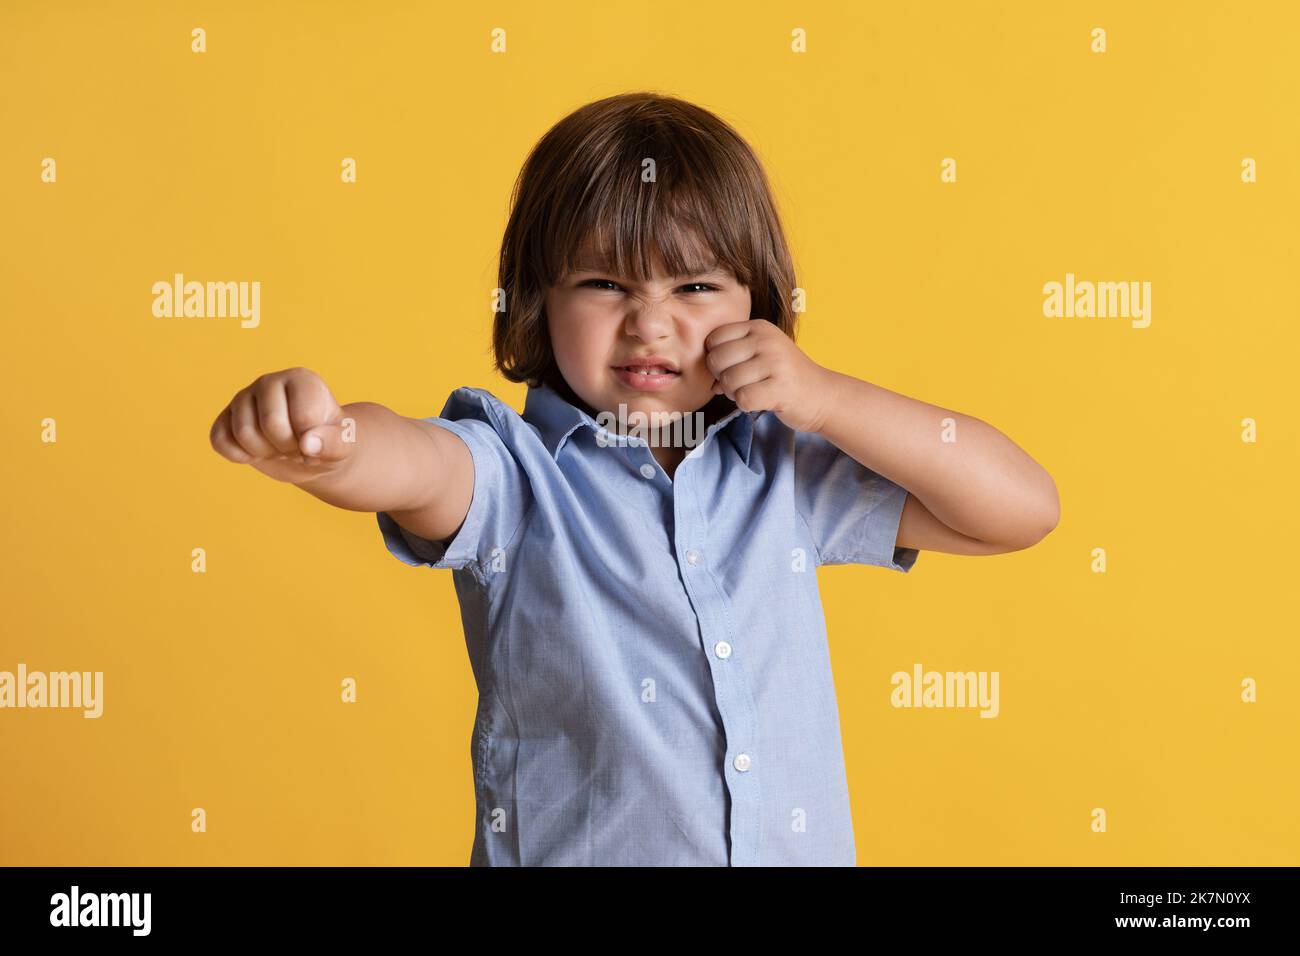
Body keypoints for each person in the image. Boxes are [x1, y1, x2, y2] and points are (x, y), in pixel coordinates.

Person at [209, 91, 1060, 866]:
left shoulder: (785, 470)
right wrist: (333, 442)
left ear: (756, 306)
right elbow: (416, 462)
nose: (651, 322)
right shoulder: (517, 475)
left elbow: (1020, 508)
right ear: (540, 301)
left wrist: (828, 397)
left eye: (695, 285)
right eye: (605, 283)